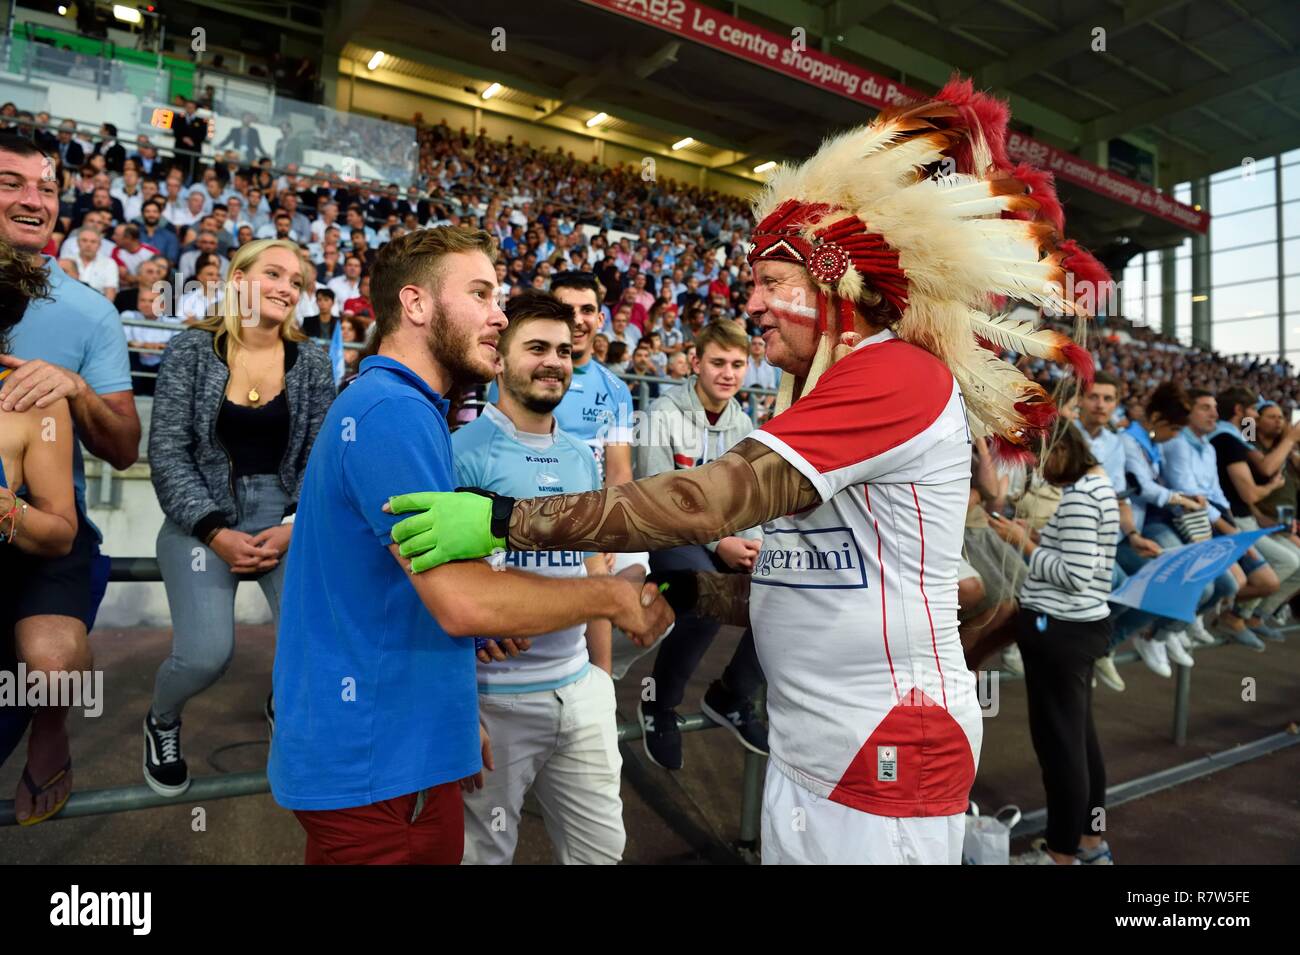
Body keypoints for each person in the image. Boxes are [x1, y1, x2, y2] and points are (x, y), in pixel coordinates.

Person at [387, 80, 1106, 864]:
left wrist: (502, 519)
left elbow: (707, 500)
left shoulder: (893, 373)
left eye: (771, 282)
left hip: (884, 743)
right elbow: (807, 575)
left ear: (832, 278)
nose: (752, 301)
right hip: (818, 746)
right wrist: (691, 590)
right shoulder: (824, 390)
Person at [267, 227, 672, 865]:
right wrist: (610, 598)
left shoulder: (405, 407)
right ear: (417, 305)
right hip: (380, 759)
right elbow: (462, 600)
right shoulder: (393, 413)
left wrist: (458, 703)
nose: (497, 315)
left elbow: (410, 583)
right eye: (480, 294)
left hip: (400, 749)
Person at [142, 239, 335, 796]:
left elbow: (319, 455)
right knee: (205, 655)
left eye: (295, 282)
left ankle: (283, 704)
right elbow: (169, 452)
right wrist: (214, 530)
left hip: (287, 513)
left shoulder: (314, 361)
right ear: (237, 280)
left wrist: (296, 524)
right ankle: (161, 720)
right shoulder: (190, 350)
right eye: (273, 273)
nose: (285, 288)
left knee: (317, 641)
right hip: (201, 515)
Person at [454, 290, 624, 864]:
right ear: (498, 359)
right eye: (535, 348)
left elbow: (594, 570)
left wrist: (601, 681)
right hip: (494, 704)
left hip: (579, 692)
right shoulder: (459, 453)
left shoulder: (582, 456)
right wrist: (458, 707)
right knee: (483, 856)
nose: (554, 360)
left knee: (601, 854)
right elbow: (438, 592)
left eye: (563, 349)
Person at [0, 134, 141, 825]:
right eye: (11, 182)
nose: (33, 199)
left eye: (47, 188)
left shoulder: (91, 312)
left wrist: (78, 388)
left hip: (49, 524)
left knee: (52, 665)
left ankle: (50, 722)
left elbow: (122, 449)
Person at [636, 320, 767, 769]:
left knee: (784, 587)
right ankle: (658, 704)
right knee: (710, 593)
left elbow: (745, 499)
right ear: (695, 363)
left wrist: (752, 543)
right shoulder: (661, 414)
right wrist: (721, 542)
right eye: (717, 363)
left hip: (721, 539)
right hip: (667, 536)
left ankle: (731, 694)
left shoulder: (743, 422)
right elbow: (656, 500)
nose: (728, 373)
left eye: (737, 364)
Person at [989, 421, 1118, 865]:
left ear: (1062, 449)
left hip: (1060, 628)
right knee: (1081, 741)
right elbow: (1079, 560)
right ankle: (1089, 842)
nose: (1041, 474)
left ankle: (1061, 853)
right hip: (1079, 626)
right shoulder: (1101, 489)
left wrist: (1023, 543)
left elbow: (1073, 576)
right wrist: (1044, 541)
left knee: (1061, 747)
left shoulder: (1082, 497)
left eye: (1043, 462)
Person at [0, 239, 78, 778]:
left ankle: (49, 728)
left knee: (53, 667)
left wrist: (5, 511)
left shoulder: (31, 399)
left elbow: (60, 532)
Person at [1162, 389, 1279, 649]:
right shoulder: (1219, 439)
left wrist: (1233, 526)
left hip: (1225, 518)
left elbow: (1217, 494)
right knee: (1235, 580)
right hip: (1197, 520)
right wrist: (1232, 528)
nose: (1256, 418)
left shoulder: (1214, 444)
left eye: (1214, 408)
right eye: (1205, 408)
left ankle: (1231, 615)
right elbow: (1194, 497)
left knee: (1267, 579)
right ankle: (1188, 621)